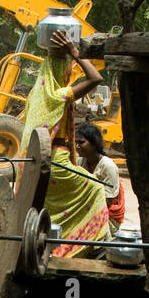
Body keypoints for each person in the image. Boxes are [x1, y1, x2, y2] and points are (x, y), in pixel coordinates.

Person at [21, 28, 109, 257]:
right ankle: (82, 247)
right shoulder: (58, 95)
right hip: (54, 159)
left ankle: (48, 243)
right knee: (96, 189)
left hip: (35, 160)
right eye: (67, 70)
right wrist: (74, 51)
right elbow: (96, 78)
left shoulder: (38, 93)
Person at [75, 121, 125, 236]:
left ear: (94, 144)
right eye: (76, 142)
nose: (77, 146)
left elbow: (107, 201)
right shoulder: (80, 162)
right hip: (87, 210)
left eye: (81, 142)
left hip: (108, 216)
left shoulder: (107, 166)